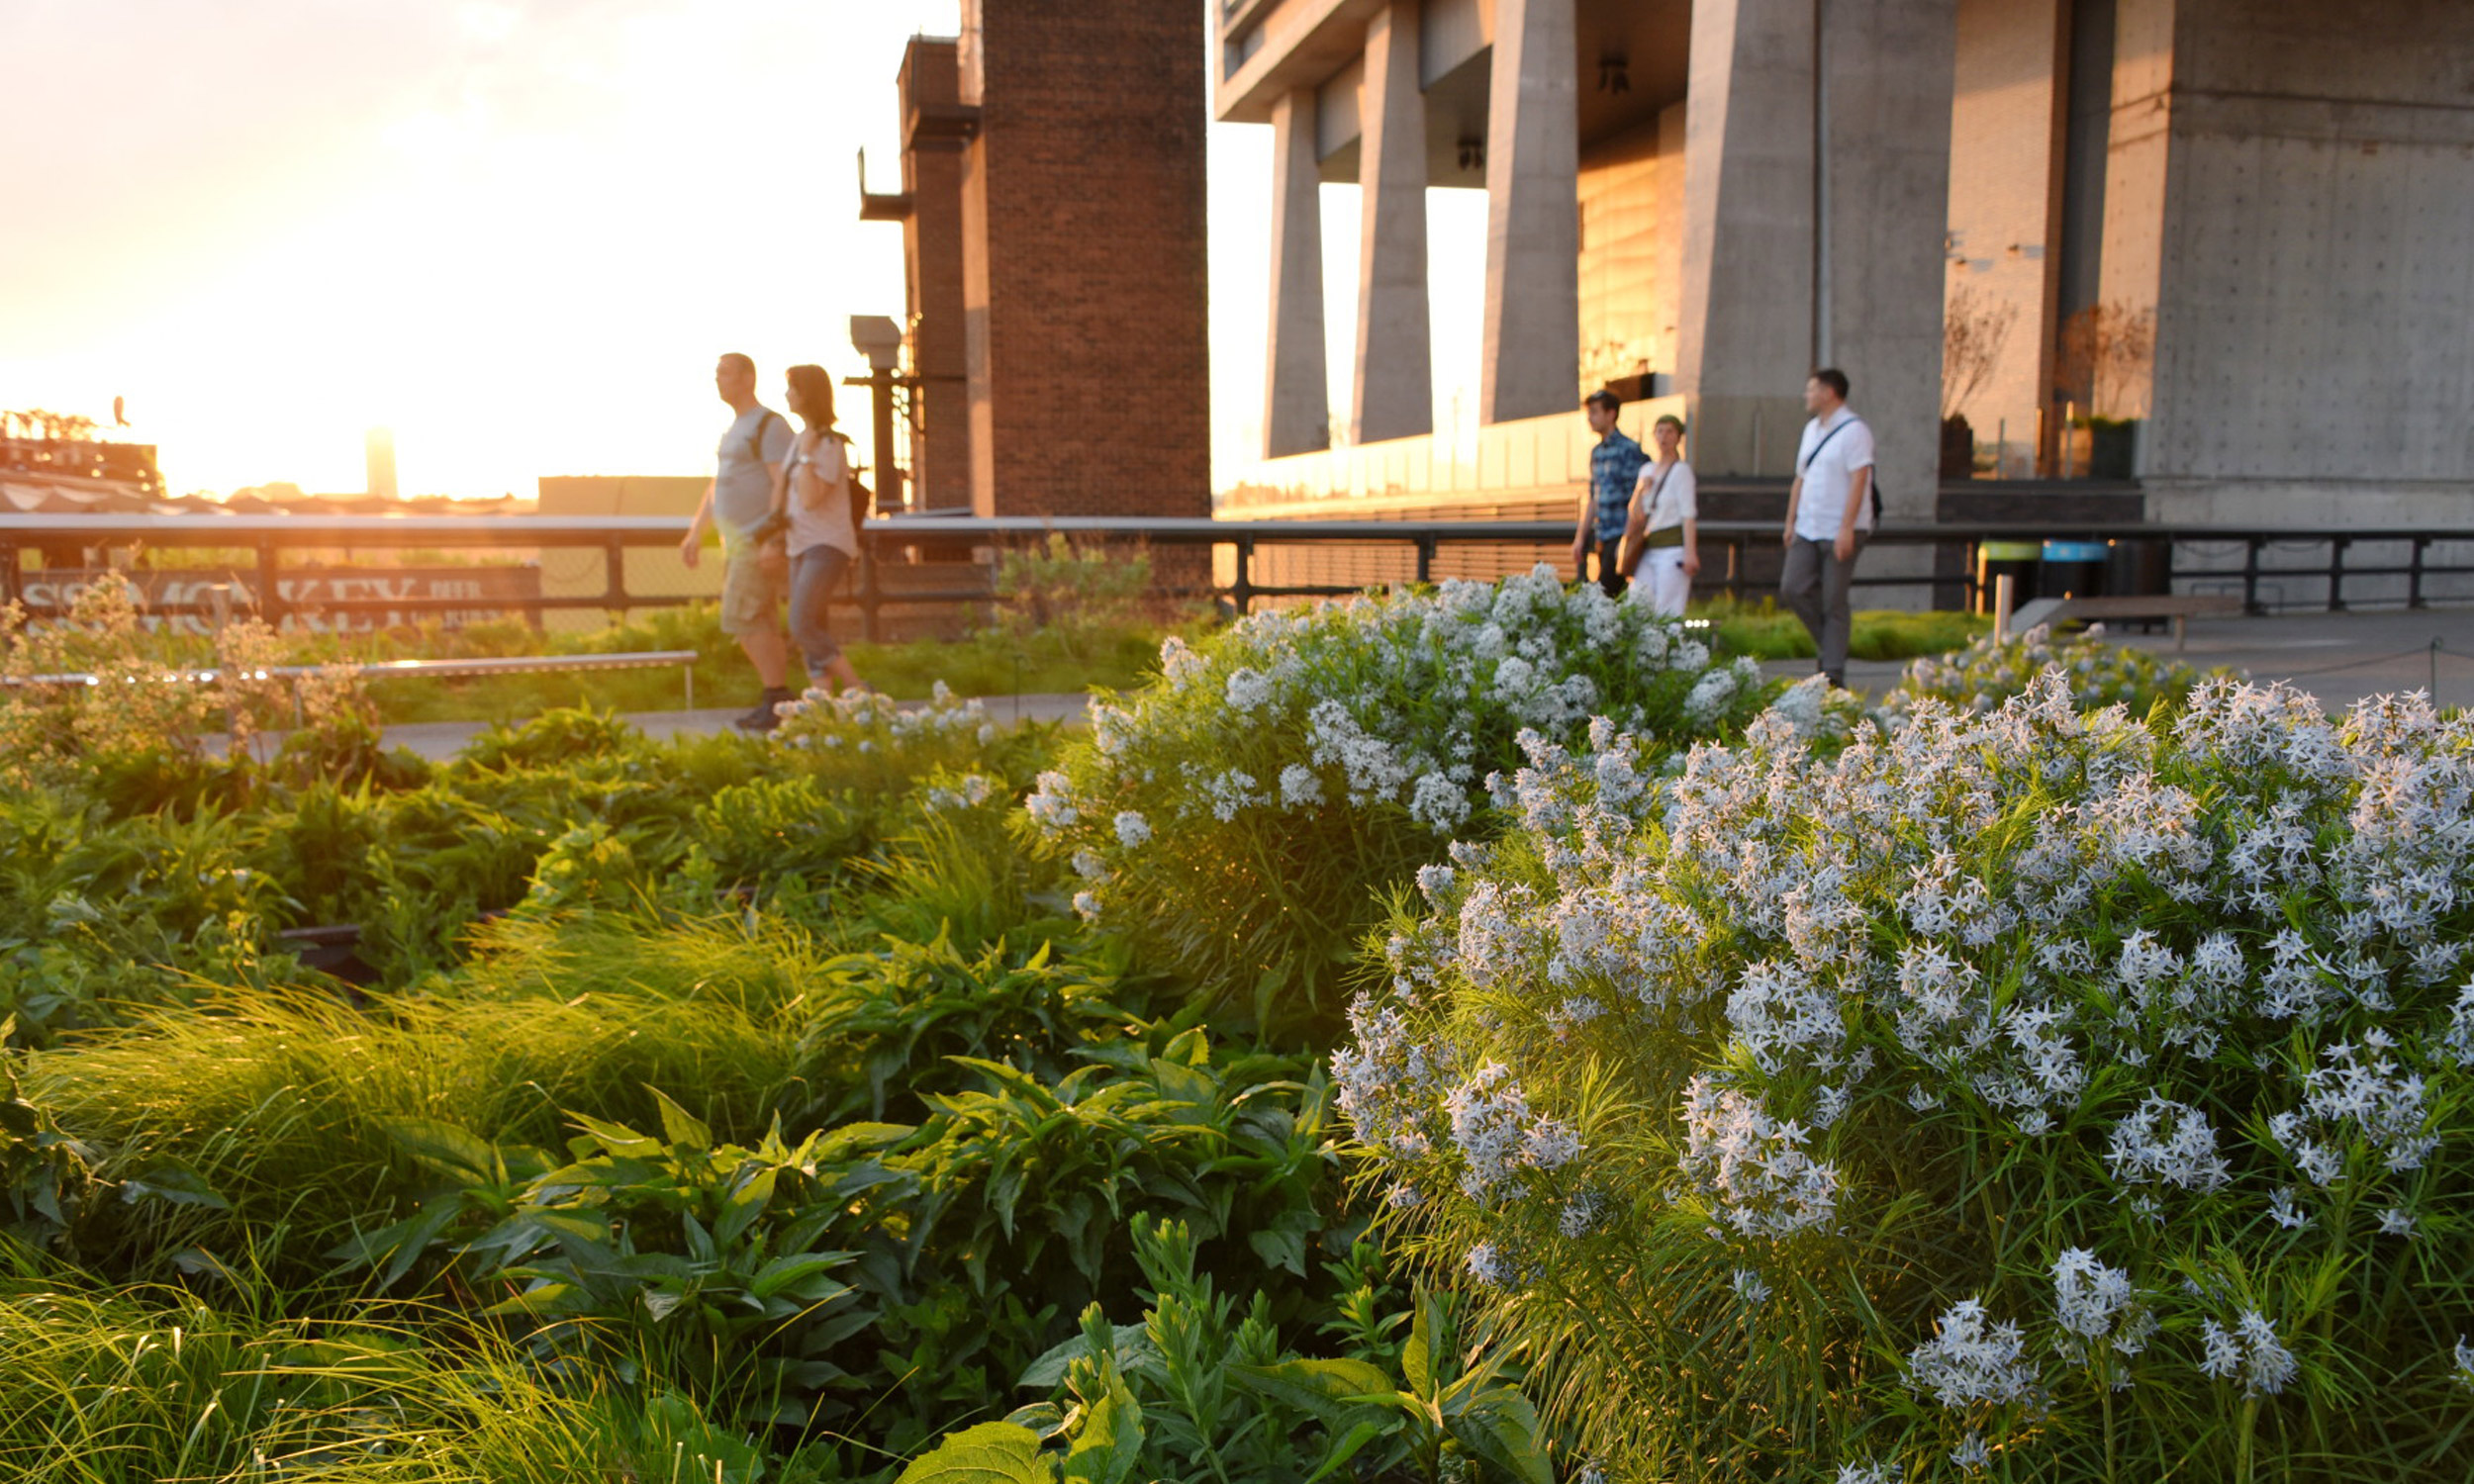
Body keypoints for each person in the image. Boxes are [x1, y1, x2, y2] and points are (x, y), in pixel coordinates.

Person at [679, 353, 797, 729]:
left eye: (725, 372)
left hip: (756, 540)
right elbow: (718, 484)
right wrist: (696, 531)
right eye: (716, 373)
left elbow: (783, 484)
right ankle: (778, 701)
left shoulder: (769, 425)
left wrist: (774, 538)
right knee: (757, 620)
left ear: (748, 378)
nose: (718, 379)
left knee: (744, 619)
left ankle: (778, 698)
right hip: (737, 543)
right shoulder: (734, 428)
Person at [770, 364, 868, 697]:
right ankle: (822, 703)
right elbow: (784, 492)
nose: (787, 395)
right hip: (799, 544)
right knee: (814, 625)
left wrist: (807, 456)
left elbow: (811, 499)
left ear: (807, 394)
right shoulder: (800, 439)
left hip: (826, 545)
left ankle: (857, 688)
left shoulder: (827, 444)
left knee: (800, 624)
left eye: (792, 388)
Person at [1778, 367, 1874, 689]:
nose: (1806, 395)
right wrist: (1790, 521)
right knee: (1793, 588)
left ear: (1829, 392)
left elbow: (1860, 480)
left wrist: (1846, 528)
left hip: (1841, 529)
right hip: (1808, 526)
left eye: (1811, 389)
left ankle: (1833, 673)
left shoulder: (1855, 431)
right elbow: (1800, 478)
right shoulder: (1811, 430)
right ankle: (1832, 646)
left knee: (1834, 599)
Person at [1618, 414, 1698, 617]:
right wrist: (1641, 490)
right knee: (1638, 601)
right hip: (1648, 545)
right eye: (1660, 431)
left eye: (1670, 431)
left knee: (1668, 609)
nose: (1664, 437)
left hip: (1672, 547)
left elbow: (1688, 514)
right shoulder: (1647, 470)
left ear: (1678, 437)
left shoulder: (1681, 471)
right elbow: (1635, 514)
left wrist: (1690, 552)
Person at [1570, 390, 1645, 599]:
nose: (1590, 418)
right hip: (1602, 535)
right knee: (1610, 599)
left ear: (1611, 414)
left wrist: (1628, 538)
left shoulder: (1629, 449)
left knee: (1603, 597)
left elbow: (1637, 498)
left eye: (1595, 412)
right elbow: (1593, 498)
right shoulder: (1596, 452)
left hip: (1621, 534)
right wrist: (1580, 538)